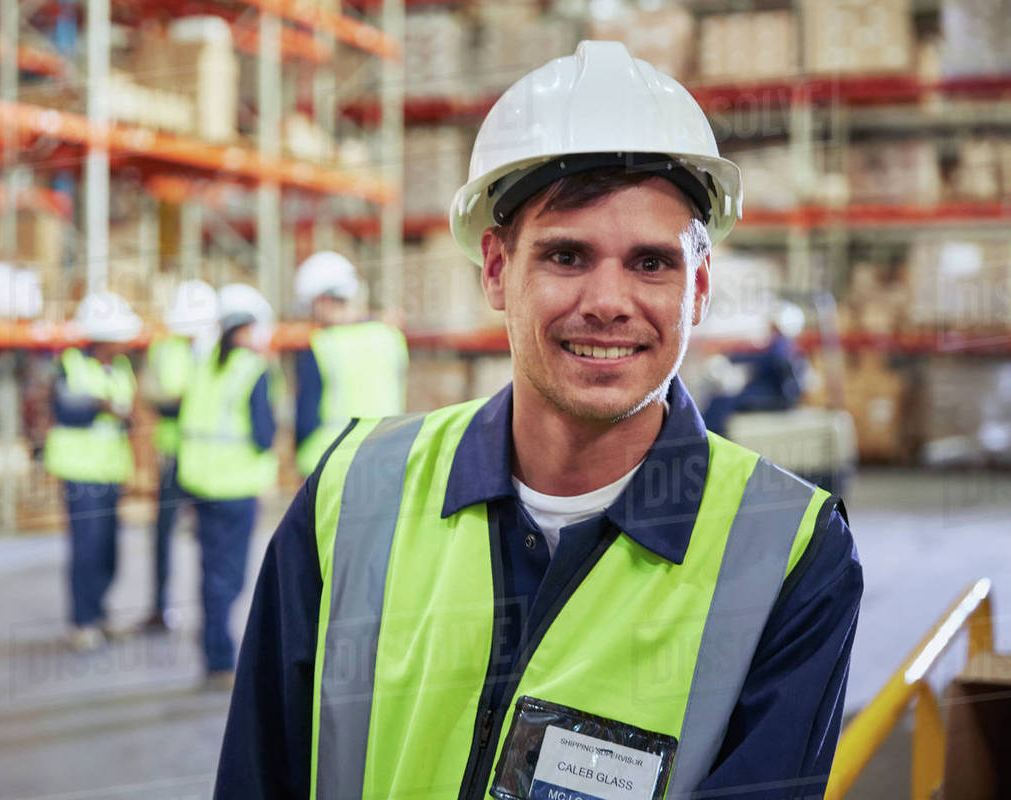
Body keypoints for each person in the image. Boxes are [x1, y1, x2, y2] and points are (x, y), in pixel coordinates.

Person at [217, 41, 862, 800]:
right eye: (566, 256)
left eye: (651, 263)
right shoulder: (352, 497)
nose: (609, 301)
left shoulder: (790, 553)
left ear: (699, 289)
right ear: (496, 269)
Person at [176, 284, 280, 689]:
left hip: (201, 487)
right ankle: (219, 658)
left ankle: (213, 652)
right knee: (229, 578)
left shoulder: (204, 366)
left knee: (209, 573)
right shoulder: (252, 370)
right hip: (235, 489)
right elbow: (263, 435)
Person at [44, 291, 141, 652]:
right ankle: (81, 621)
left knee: (107, 549)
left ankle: (101, 613)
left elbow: (127, 413)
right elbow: (68, 409)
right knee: (85, 549)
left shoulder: (121, 368)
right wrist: (102, 405)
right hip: (79, 472)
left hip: (110, 472)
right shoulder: (70, 364)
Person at [138, 280, 218, 631]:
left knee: (211, 538)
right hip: (174, 454)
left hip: (211, 458)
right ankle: (159, 607)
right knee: (163, 533)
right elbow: (158, 397)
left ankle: (212, 613)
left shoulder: (218, 349)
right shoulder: (165, 348)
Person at [292, 250, 408, 476]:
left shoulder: (320, 345)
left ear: (322, 299)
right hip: (385, 461)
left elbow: (306, 418)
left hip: (329, 464)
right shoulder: (391, 338)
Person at [702, 301, 808, 435]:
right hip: (773, 391)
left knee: (724, 400)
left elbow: (764, 359)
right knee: (726, 398)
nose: (770, 327)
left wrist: (730, 357)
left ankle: (707, 435)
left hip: (775, 394)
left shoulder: (781, 345)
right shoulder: (786, 345)